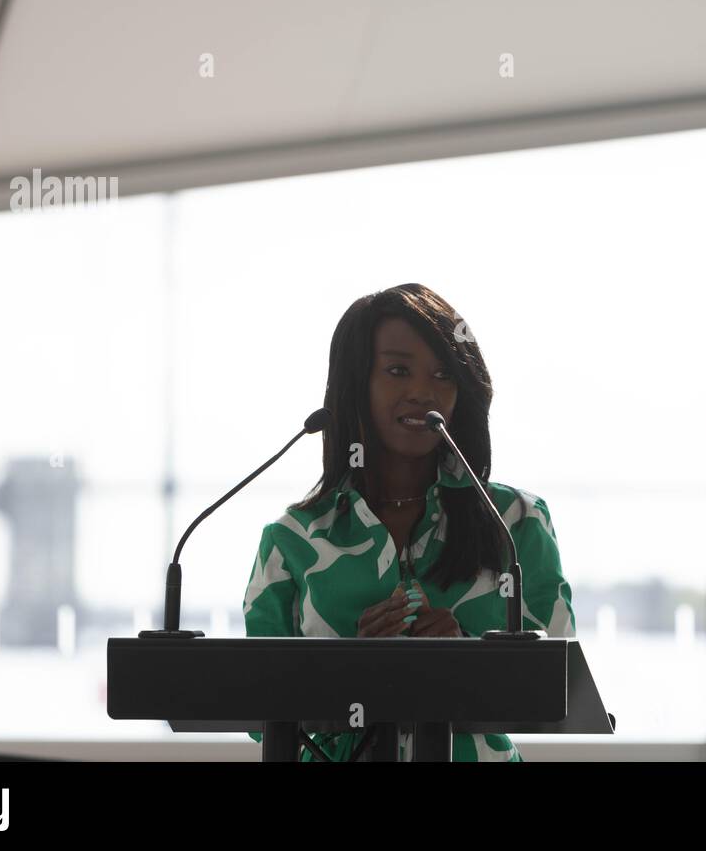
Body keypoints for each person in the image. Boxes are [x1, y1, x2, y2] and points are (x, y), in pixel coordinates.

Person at [242, 283, 575, 761]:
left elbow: (558, 681)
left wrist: (465, 655)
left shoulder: (516, 522)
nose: (423, 392)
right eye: (398, 370)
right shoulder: (291, 539)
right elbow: (259, 716)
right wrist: (353, 673)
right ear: (356, 383)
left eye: (444, 375)